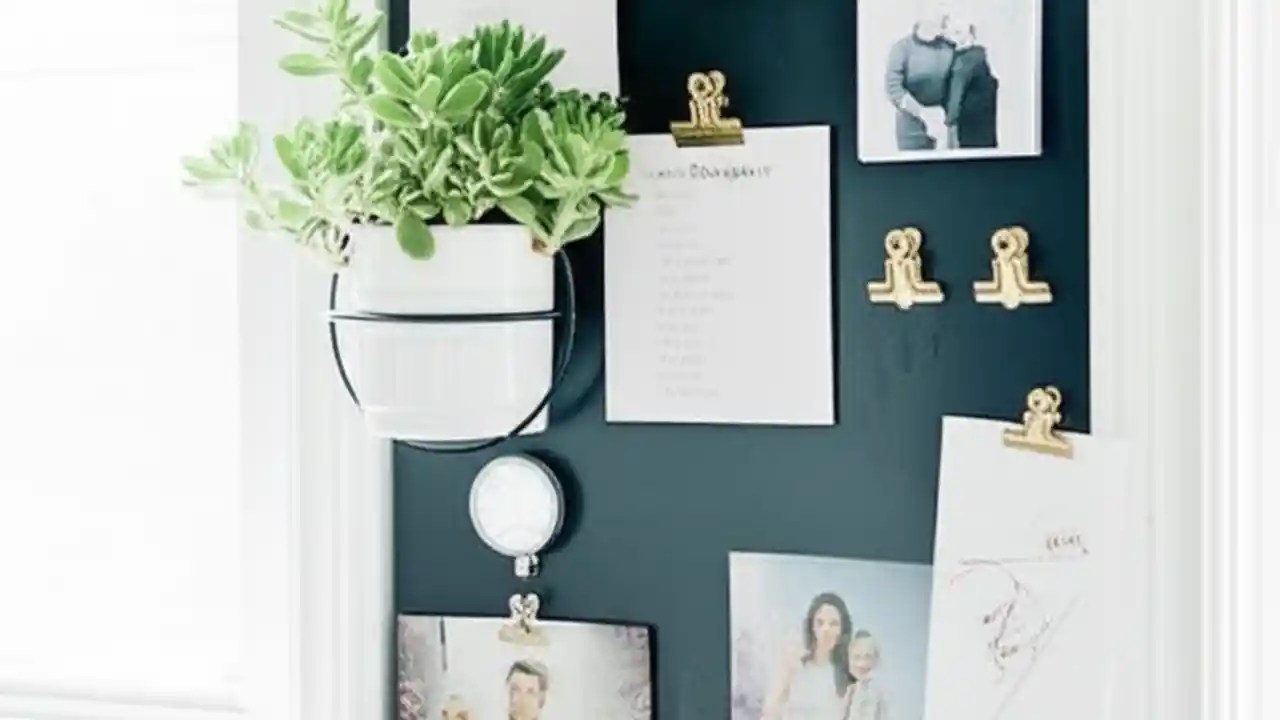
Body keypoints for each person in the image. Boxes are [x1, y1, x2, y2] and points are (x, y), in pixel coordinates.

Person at [761, 593, 854, 720]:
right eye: (820, 623)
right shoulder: (793, 664)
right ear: (812, 627)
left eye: (834, 624)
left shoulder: (847, 675)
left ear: (843, 630)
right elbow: (770, 711)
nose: (826, 629)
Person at [884, 2, 956, 150]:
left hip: (943, 128)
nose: (945, 20)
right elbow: (893, 89)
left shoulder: (950, 48)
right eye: (940, 16)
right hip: (911, 130)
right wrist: (923, 114)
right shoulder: (902, 48)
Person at [944, 18, 999, 148]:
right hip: (986, 124)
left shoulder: (964, 60)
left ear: (969, 35)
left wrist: (949, 121)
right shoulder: (981, 54)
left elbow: (956, 93)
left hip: (968, 126)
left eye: (957, 32)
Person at [843, 631, 888, 720]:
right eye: (856, 657)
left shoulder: (880, 693)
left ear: (876, 659)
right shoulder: (851, 691)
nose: (862, 664)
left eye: (868, 657)